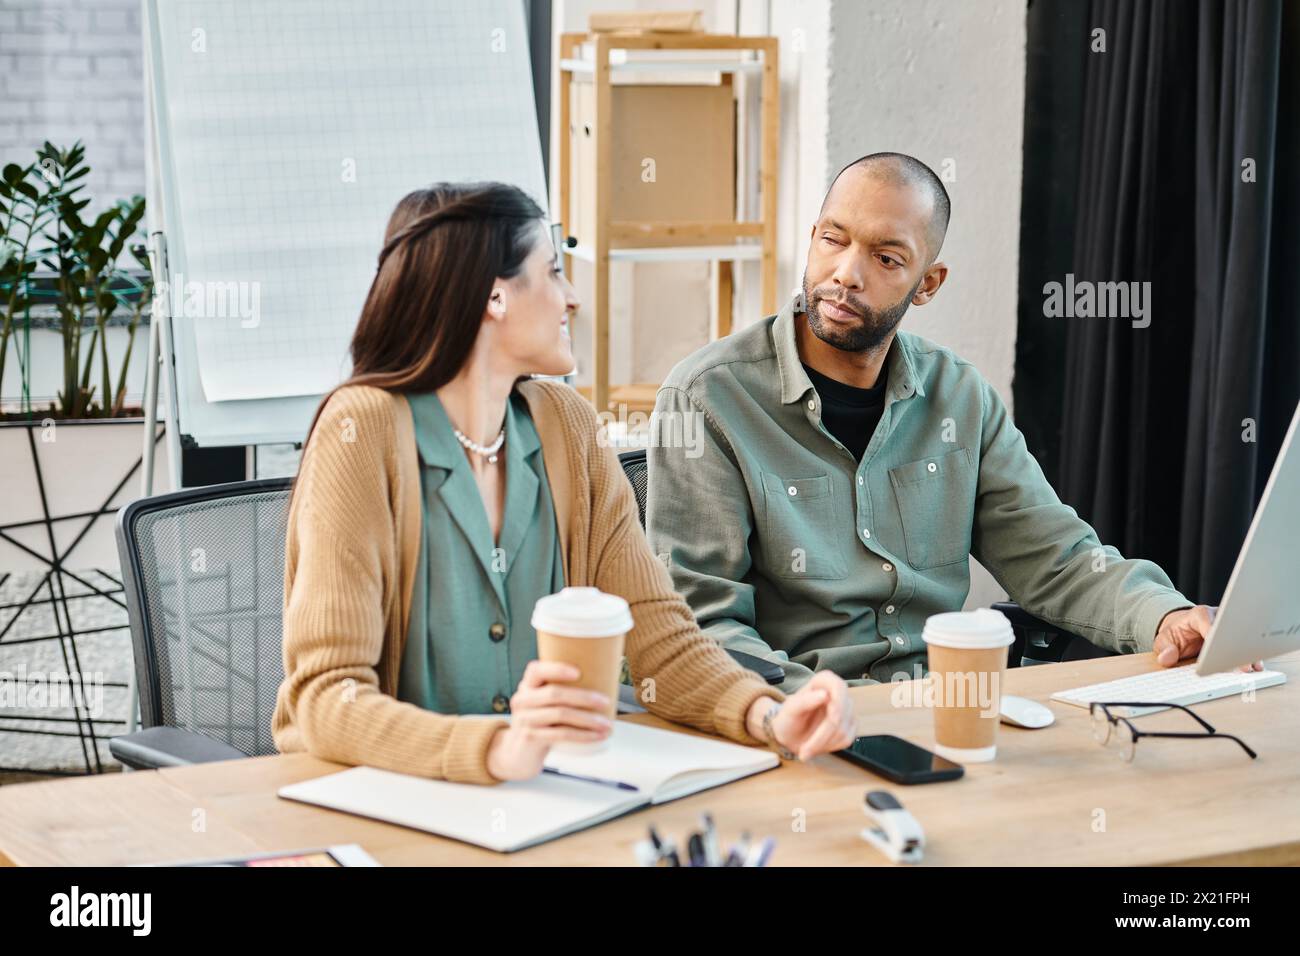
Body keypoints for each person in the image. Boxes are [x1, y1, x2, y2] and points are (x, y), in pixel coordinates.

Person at [272, 182, 857, 783]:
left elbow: (661, 641)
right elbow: (327, 696)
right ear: (493, 295)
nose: (571, 298)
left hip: (536, 801)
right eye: (553, 272)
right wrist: (498, 749)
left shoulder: (567, 425)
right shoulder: (363, 430)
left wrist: (768, 716)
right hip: (379, 806)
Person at [647, 152, 1246, 691]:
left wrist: (1165, 616)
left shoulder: (960, 398)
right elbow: (701, 621)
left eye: (886, 258)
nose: (847, 274)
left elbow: (1057, 560)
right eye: (834, 240)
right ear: (812, 240)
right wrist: (810, 706)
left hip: (945, 706)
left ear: (927, 283)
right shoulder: (709, 398)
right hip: (797, 722)